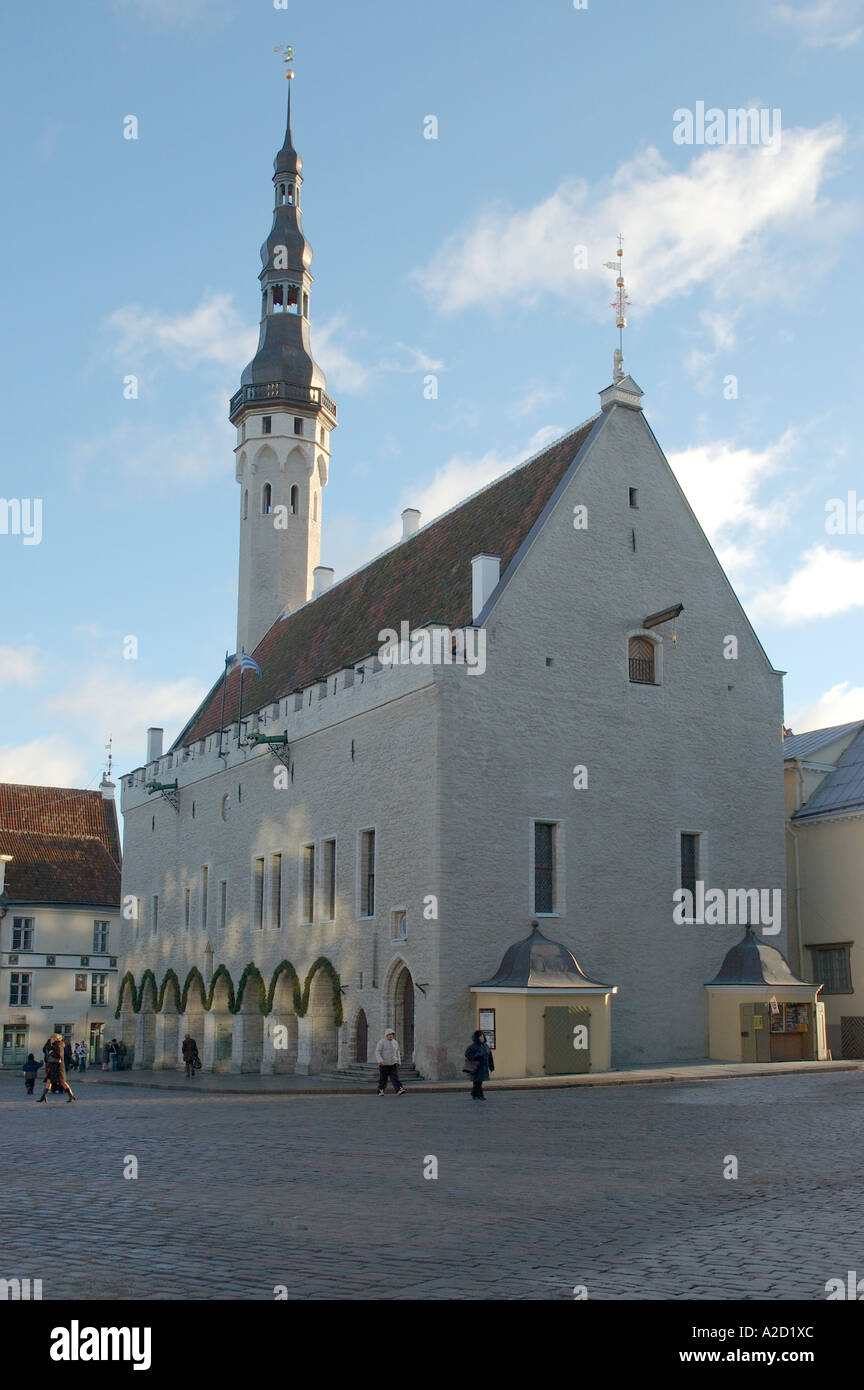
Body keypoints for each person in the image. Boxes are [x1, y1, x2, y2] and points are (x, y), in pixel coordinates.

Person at [38, 1035, 76, 1103]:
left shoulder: (59, 1045)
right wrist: (49, 1045)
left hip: (58, 1066)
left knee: (62, 1082)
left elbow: (60, 1055)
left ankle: (71, 1095)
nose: (51, 1039)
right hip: (53, 1066)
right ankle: (43, 1096)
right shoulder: (53, 1044)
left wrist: (51, 1053)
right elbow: (45, 1049)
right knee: (48, 1081)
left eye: (52, 1038)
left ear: (56, 1039)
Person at [464, 1029, 495, 1101]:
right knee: (477, 1082)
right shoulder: (472, 1047)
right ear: (477, 1038)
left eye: (482, 1037)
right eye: (480, 1037)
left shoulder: (486, 1046)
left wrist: (491, 1066)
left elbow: (490, 1057)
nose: (482, 1038)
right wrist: (476, 1055)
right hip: (476, 1067)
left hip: (483, 1067)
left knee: (478, 1082)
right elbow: (468, 1055)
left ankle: (474, 1093)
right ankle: (480, 1095)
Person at [374, 1027, 406, 1095]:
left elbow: (397, 1052)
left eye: (392, 1034)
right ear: (386, 1035)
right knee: (383, 1079)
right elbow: (377, 1052)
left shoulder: (395, 1042)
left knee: (395, 1078)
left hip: (393, 1064)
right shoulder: (381, 1042)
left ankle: (399, 1089)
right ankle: (380, 1090)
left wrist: (398, 1061)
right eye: (389, 1034)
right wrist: (380, 1060)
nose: (391, 1035)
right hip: (384, 1064)